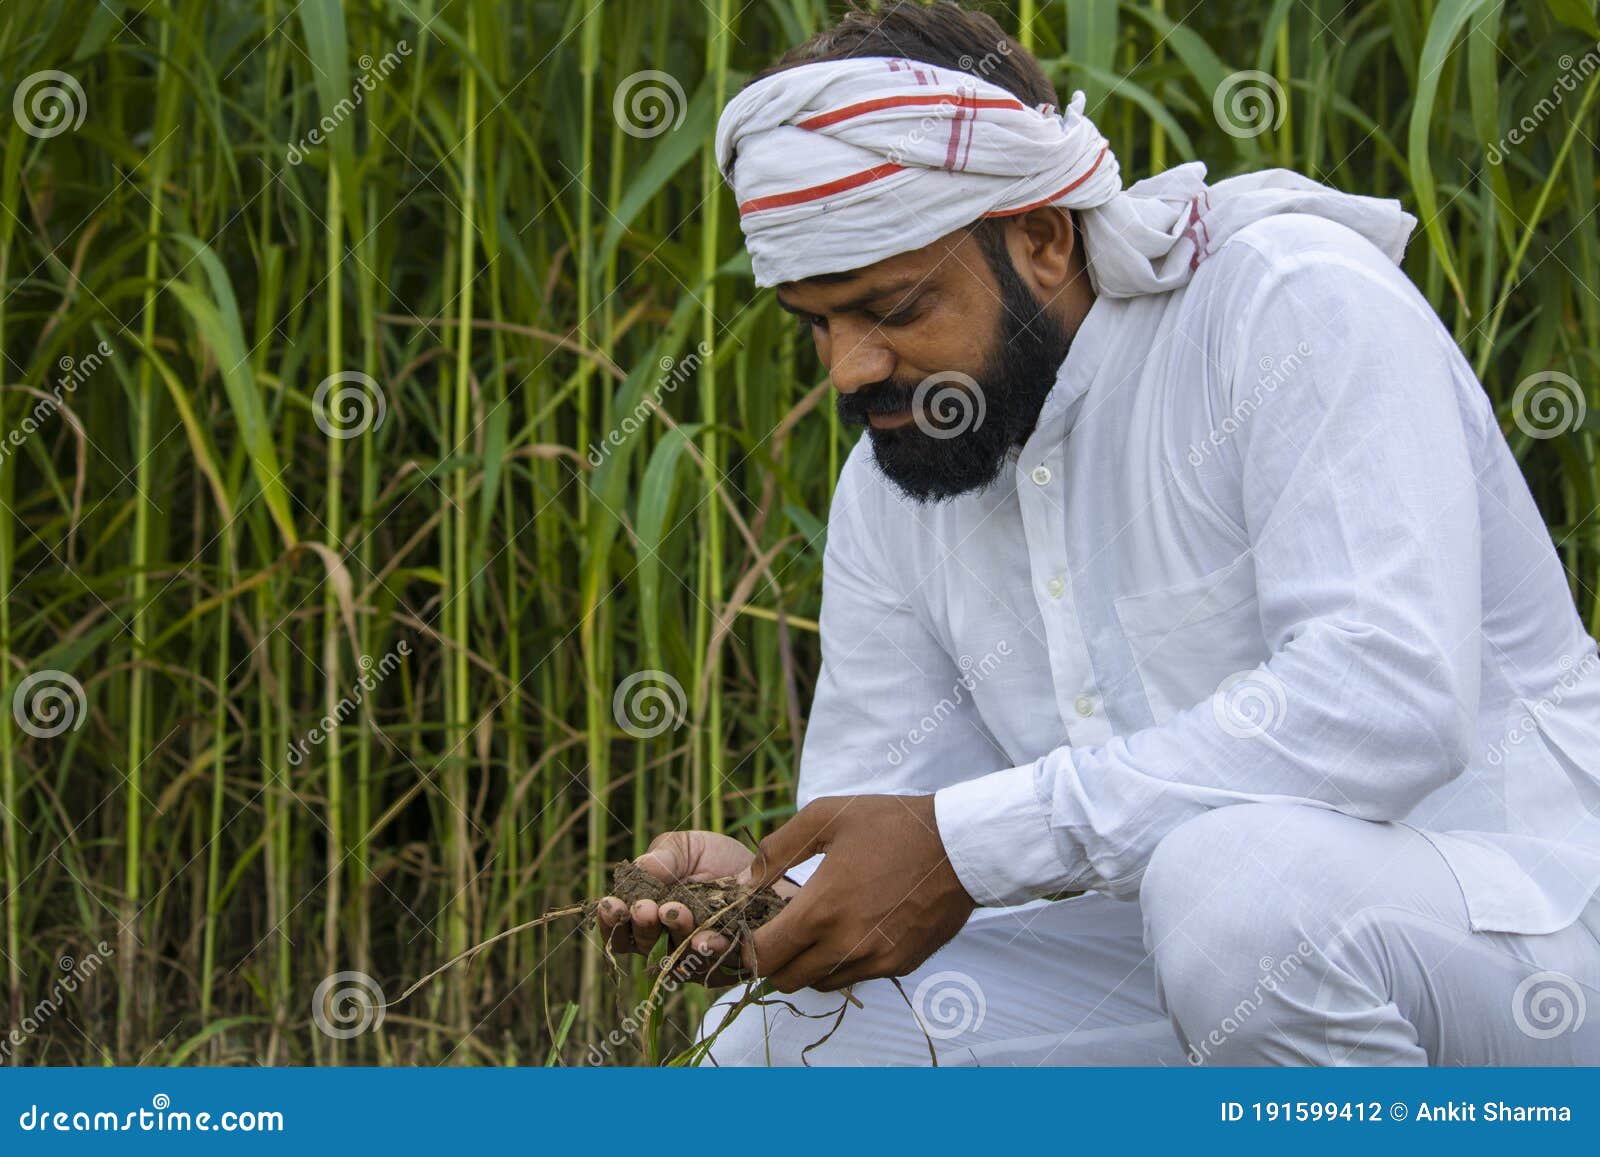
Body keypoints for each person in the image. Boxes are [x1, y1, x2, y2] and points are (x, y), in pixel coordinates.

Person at [597, 1, 1600, 1065]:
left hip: (1522, 938)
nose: (849, 368)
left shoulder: (1287, 305)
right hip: (1198, 965)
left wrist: (965, 843)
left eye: (889, 308)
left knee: (1233, 888)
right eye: (817, 322)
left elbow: (1387, 700)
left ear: (1038, 236)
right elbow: (906, 831)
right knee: (773, 1040)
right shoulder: (890, 484)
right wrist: (769, 891)